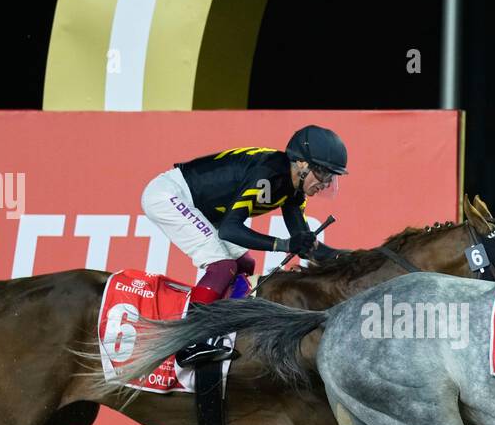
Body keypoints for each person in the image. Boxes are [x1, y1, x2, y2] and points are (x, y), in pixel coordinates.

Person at [139, 125, 348, 366]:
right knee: (222, 266)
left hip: (204, 207)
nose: (326, 182)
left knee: (244, 263)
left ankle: (225, 328)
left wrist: (355, 259)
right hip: (170, 194)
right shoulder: (267, 173)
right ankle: (189, 344)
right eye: (323, 173)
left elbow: (307, 246)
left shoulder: (294, 192)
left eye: (332, 176)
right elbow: (230, 229)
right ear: (301, 164)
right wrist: (282, 244)